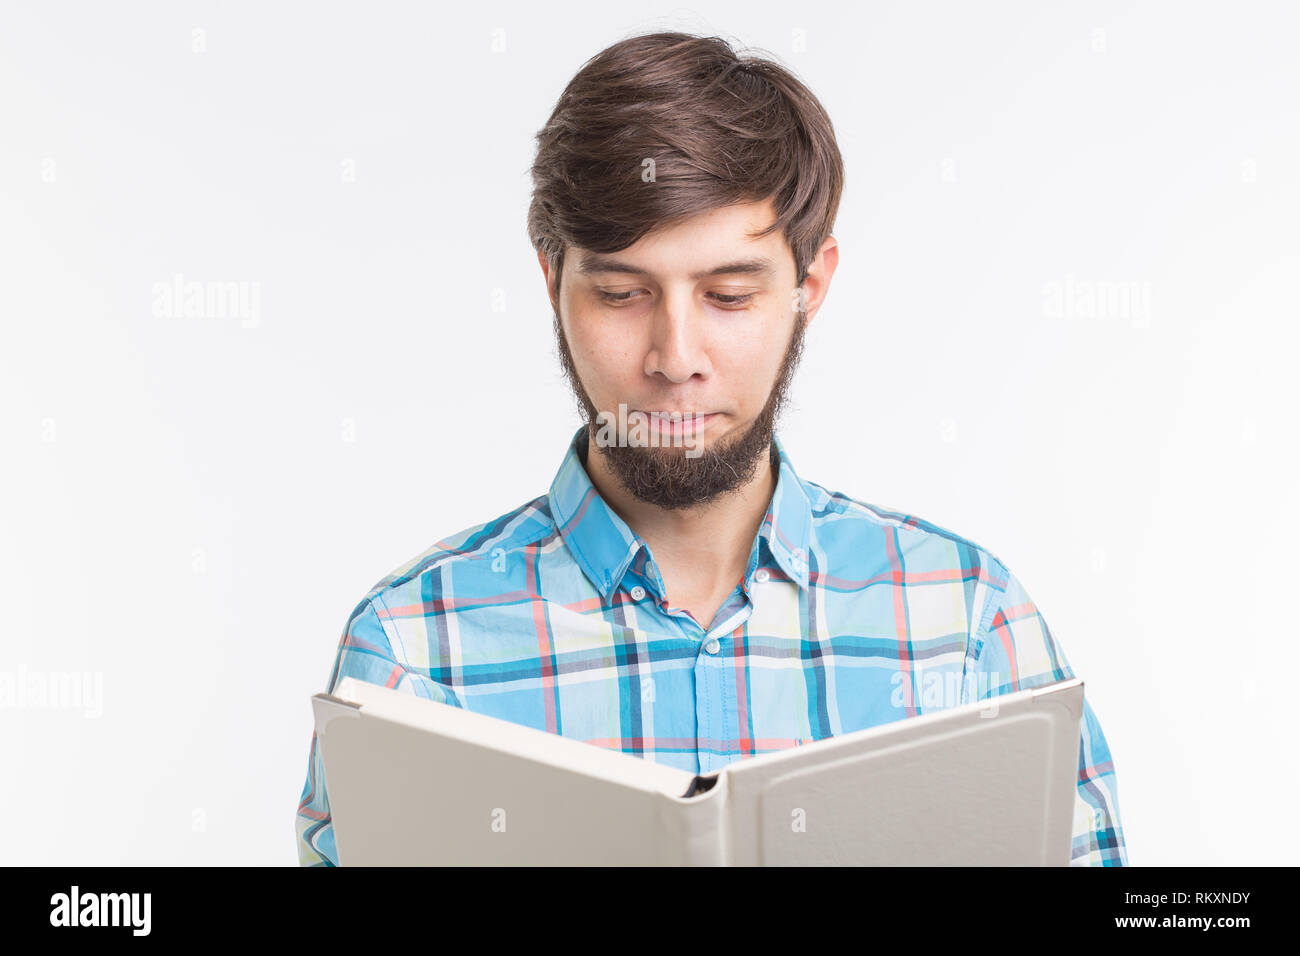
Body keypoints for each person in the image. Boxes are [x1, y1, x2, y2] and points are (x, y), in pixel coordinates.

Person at [296, 30, 1128, 866]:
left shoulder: (969, 624)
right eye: (622, 293)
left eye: (729, 296)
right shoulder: (413, 651)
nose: (675, 358)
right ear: (552, 280)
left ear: (810, 286)